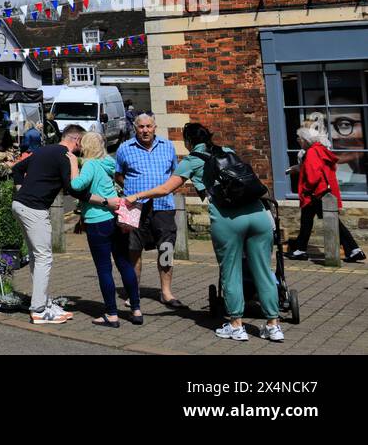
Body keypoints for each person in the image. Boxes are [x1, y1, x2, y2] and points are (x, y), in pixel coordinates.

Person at [126, 124, 284, 342]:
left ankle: (236, 326)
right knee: (264, 271)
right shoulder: (228, 151)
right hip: (258, 215)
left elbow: (164, 189)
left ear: (189, 142)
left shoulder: (192, 160)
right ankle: (273, 326)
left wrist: (136, 196)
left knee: (231, 272)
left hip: (228, 219)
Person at [11, 124, 119, 324]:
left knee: (37, 256)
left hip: (20, 205)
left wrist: (22, 191)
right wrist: (105, 201)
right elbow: (75, 190)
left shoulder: (44, 150)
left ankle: (41, 301)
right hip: (34, 209)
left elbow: (17, 169)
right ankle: (39, 310)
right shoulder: (64, 156)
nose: (82, 148)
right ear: (76, 140)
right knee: (44, 257)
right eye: (82, 143)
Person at [69, 131, 142, 327]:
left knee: (104, 269)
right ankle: (136, 309)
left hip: (97, 221)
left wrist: (74, 164)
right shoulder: (108, 163)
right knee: (124, 263)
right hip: (115, 219)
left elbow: (76, 186)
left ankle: (111, 314)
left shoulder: (91, 165)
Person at [114, 113, 185, 308]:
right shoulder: (124, 148)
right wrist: (132, 189)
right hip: (134, 207)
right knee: (133, 250)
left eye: (148, 126)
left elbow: (174, 173)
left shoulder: (167, 146)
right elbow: (118, 175)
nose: (145, 130)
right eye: (141, 127)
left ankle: (166, 292)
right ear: (135, 128)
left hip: (163, 207)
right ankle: (133, 291)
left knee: (166, 249)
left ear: (155, 127)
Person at [286, 117, 365, 262]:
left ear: (306, 139)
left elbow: (313, 177)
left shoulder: (311, 152)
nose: (298, 141)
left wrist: (306, 187)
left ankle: (353, 249)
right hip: (322, 192)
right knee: (309, 221)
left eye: (300, 138)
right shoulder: (320, 150)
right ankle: (353, 250)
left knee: (325, 222)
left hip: (316, 194)